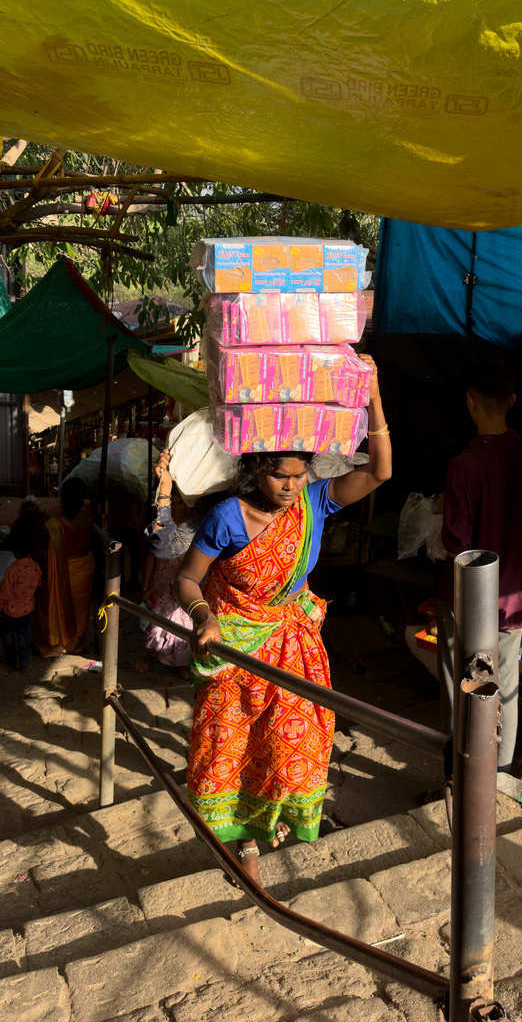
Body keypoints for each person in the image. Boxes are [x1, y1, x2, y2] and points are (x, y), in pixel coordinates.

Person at [175, 355, 391, 887]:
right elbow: (185, 578)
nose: (291, 486)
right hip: (232, 646)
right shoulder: (228, 517)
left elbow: (380, 471)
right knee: (231, 744)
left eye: (299, 475)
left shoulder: (317, 502)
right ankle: (243, 843)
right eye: (279, 475)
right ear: (256, 468)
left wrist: (373, 393)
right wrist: (204, 617)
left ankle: (270, 821)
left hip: (291, 641)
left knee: (289, 741)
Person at [437, 357, 522, 779]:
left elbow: (456, 543)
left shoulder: (463, 467)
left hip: (471, 599)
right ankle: (500, 773)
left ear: (471, 403)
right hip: (518, 593)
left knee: (462, 685)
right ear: (512, 401)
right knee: (504, 684)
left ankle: (462, 775)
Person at [138, 449, 196, 678]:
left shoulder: (194, 527)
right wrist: (145, 587)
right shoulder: (160, 525)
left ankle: (181, 662)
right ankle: (150, 655)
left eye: (179, 502)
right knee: (155, 622)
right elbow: (152, 555)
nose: (175, 506)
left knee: (182, 622)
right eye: (170, 501)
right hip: (160, 582)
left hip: (183, 584)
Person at [32, 477, 96, 657]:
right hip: (85, 567)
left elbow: (49, 557)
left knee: (54, 602)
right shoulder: (87, 516)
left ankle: (58, 642)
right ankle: (76, 641)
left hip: (65, 570)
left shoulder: (55, 525)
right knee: (81, 608)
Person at [0, 520, 43, 671]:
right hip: (27, 610)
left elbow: (4, 593)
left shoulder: (12, 571)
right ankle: (24, 663)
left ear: (15, 553)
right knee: (24, 636)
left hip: (9, 612)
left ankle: (10, 659)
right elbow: (39, 584)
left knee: (7, 636)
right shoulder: (36, 568)